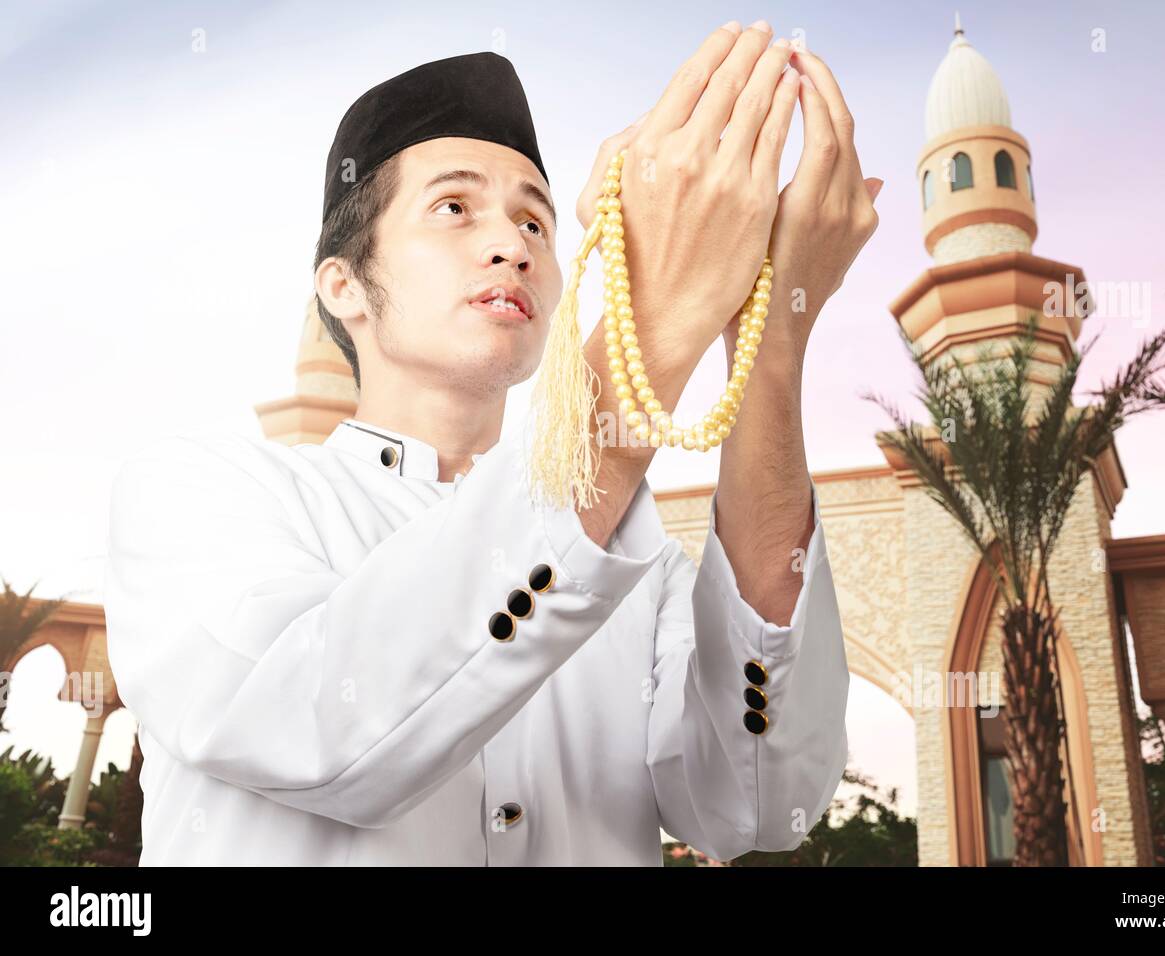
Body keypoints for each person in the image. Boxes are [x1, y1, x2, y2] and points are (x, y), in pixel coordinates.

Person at [104, 20, 882, 865]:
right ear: (345, 284)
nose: (513, 245)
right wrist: (657, 313)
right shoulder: (199, 495)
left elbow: (761, 804)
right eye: (454, 207)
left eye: (537, 225)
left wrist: (771, 329)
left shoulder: (641, 572)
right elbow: (319, 727)